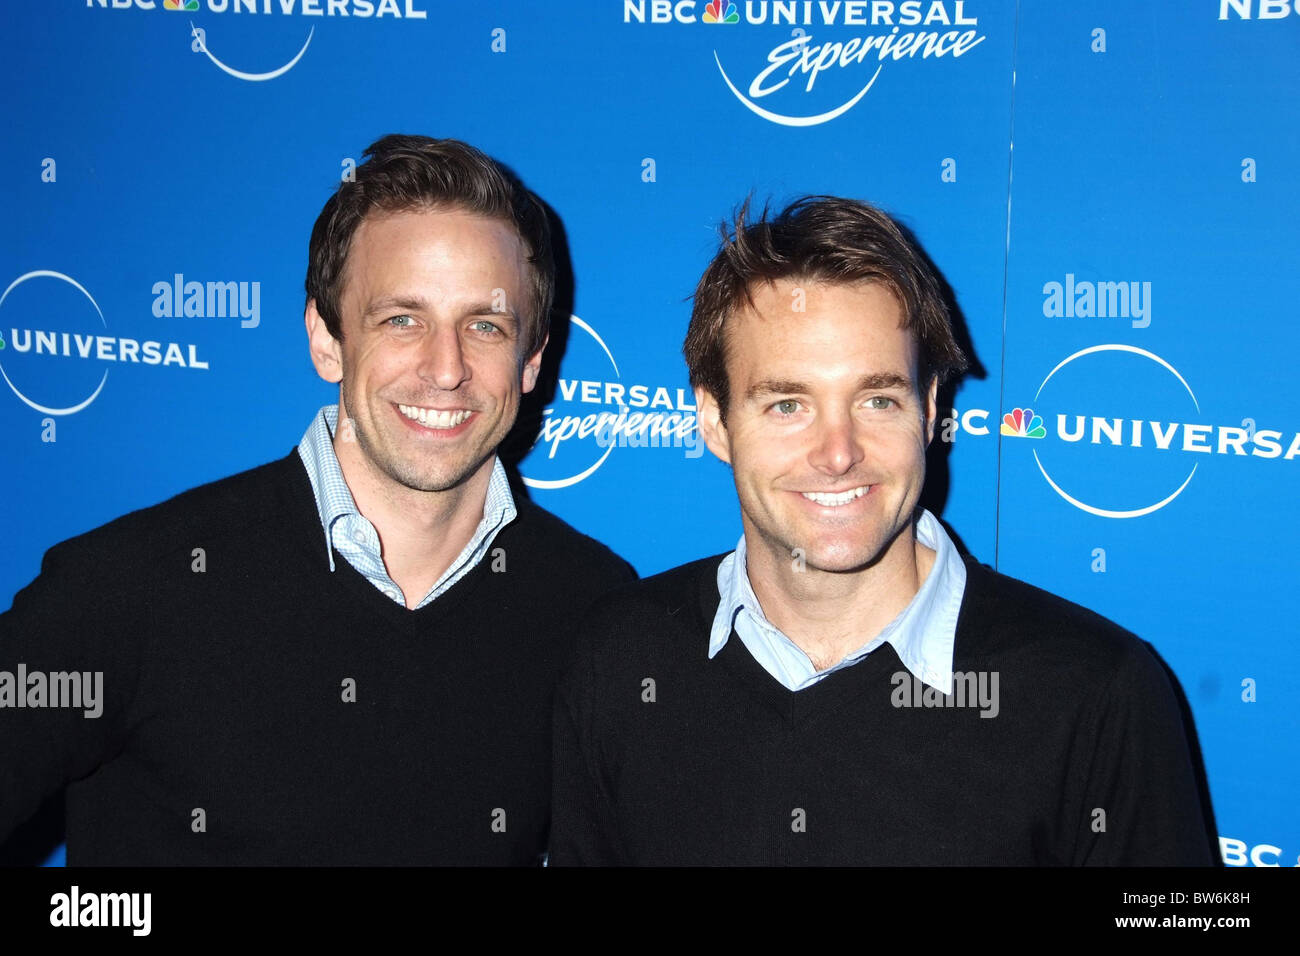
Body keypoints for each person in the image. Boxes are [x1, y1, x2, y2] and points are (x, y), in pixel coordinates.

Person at [0, 134, 635, 865]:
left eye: (484, 326)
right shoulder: (128, 589)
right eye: (402, 319)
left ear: (531, 361)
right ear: (326, 340)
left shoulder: (591, 611)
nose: (446, 368)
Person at [549, 196, 1215, 866]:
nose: (838, 453)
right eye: (787, 404)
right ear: (715, 422)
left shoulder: (1096, 695)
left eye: (877, 400)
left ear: (928, 411)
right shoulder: (622, 659)